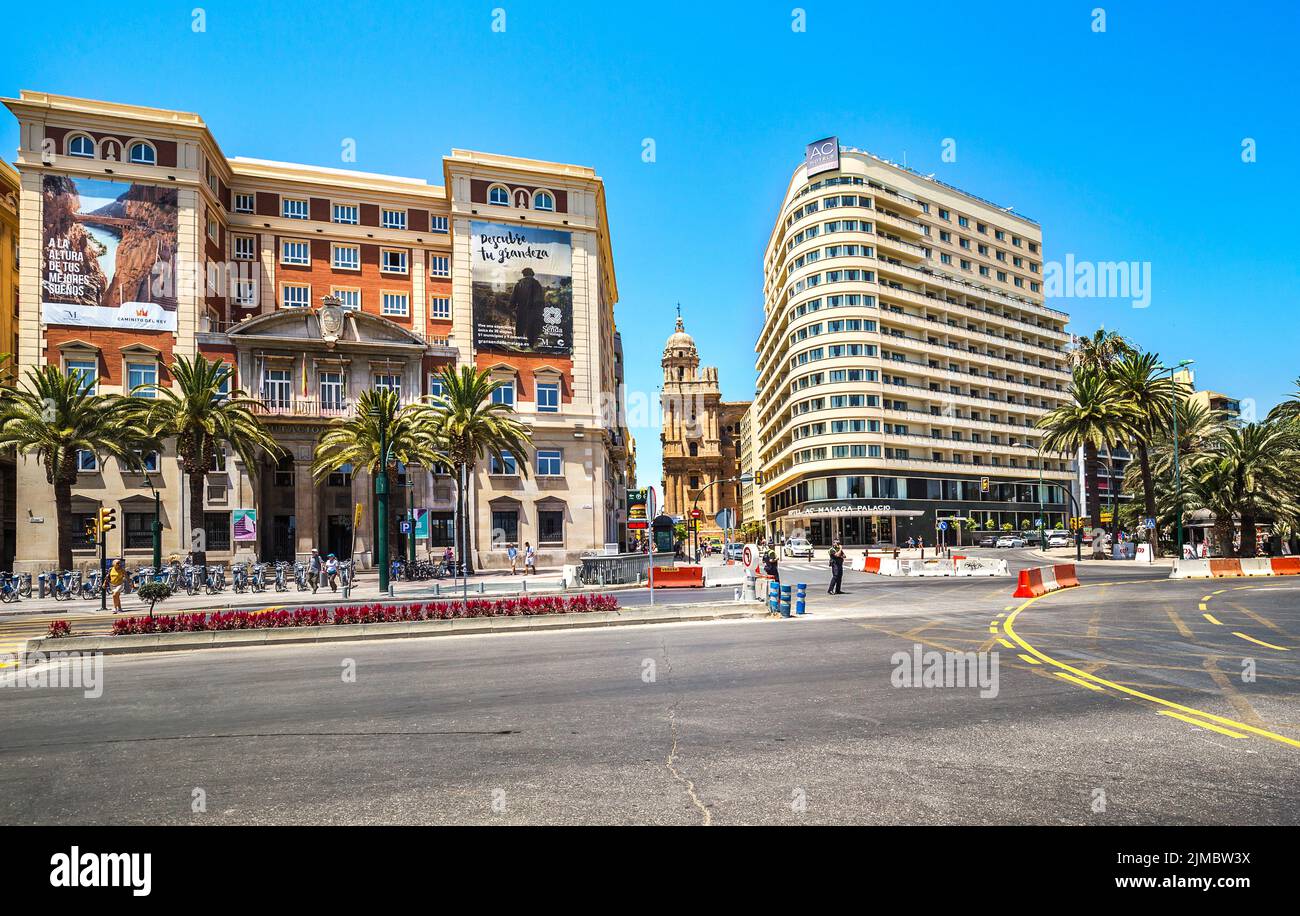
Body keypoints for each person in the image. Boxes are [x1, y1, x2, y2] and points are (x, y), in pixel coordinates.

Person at [510, 267, 546, 349]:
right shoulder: (536, 284)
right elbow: (540, 299)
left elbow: (513, 298)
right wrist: (540, 310)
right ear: (532, 274)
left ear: (524, 274)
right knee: (532, 329)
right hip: (533, 311)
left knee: (519, 328)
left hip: (521, 310)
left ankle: (522, 345)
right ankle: (531, 345)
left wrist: (511, 307)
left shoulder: (518, 284)